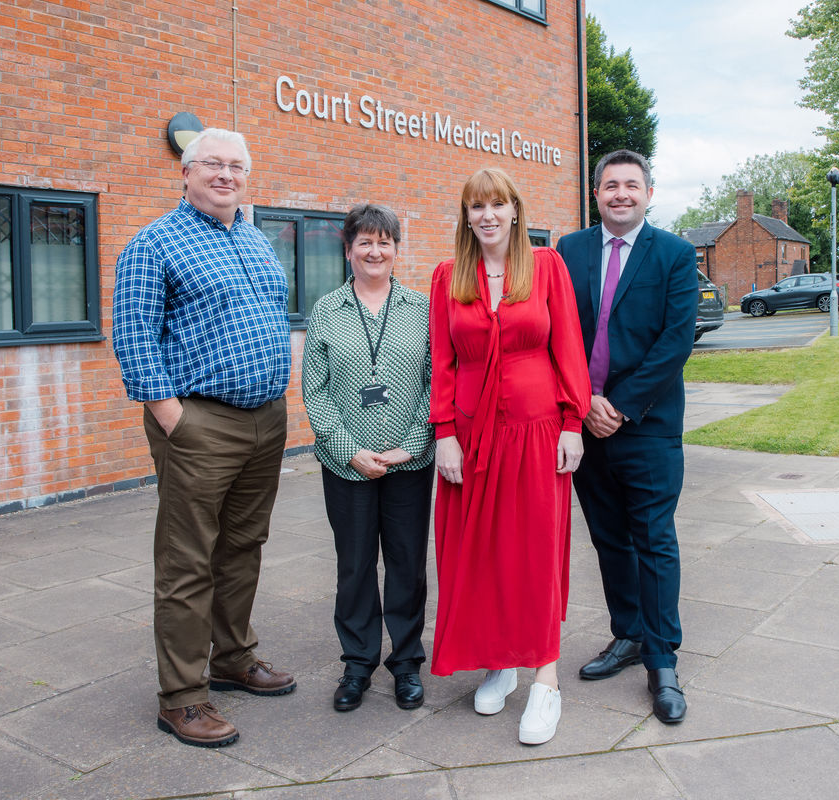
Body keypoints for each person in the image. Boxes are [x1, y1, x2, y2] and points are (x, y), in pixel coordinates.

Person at [113, 128, 296, 748]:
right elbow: (135, 336)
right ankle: (183, 699)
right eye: (212, 164)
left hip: (264, 420)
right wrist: (173, 418)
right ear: (186, 173)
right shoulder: (155, 243)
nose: (226, 174)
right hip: (199, 422)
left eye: (237, 165)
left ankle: (233, 657)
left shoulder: (251, 235)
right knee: (188, 560)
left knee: (243, 546)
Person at [429, 167, 590, 745]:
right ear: (466, 216)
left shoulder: (546, 266)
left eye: (497, 204)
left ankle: (545, 679)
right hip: (471, 440)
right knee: (482, 556)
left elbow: (568, 342)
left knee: (536, 553)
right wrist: (444, 432)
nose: (487, 215)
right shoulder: (448, 275)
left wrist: (574, 421)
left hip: (536, 431)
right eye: (476, 207)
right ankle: (502, 660)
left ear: (515, 211)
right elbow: (443, 362)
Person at [555, 149, 697, 724]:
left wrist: (621, 405)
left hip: (647, 425)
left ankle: (662, 661)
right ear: (596, 194)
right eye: (610, 185)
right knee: (610, 540)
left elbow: (676, 341)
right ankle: (628, 635)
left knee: (654, 540)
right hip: (584, 425)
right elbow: (560, 329)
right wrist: (583, 403)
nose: (620, 194)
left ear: (648, 193)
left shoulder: (676, 254)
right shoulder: (569, 251)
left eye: (630, 185)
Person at [301, 203, 434, 713]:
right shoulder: (326, 311)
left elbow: (434, 383)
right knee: (354, 566)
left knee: (406, 564)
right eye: (365, 242)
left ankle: (405, 664)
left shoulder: (422, 310)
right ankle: (357, 665)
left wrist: (413, 444)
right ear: (349, 249)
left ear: (397, 249)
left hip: (408, 463)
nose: (375, 251)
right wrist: (348, 451)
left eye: (384, 242)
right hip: (346, 465)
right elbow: (316, 392)